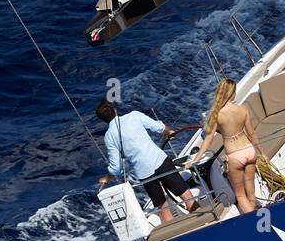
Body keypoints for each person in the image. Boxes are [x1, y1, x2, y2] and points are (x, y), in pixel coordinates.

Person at [95, 101, 197, 223]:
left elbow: (116, 167)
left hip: (144, 173)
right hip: (160, 161)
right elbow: (159, 128)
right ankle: (202, 220)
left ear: (103, 120)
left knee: (163, 209)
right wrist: (169, 132)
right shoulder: (134, 115)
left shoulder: (109, 136)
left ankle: (177, 233)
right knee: (187, 196)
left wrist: (107, 178)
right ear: (115, 110)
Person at [185, 78, 265, 216]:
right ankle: (259, 218)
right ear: (231, 93)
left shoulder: (216, 115)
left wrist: (195, 160)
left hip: (235, 155)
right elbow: (251, 134)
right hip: (249, 150)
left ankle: (254, 221)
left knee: (240, 195)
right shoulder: (242, 109)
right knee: (251, 190)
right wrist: (263, 153)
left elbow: (208, 140)